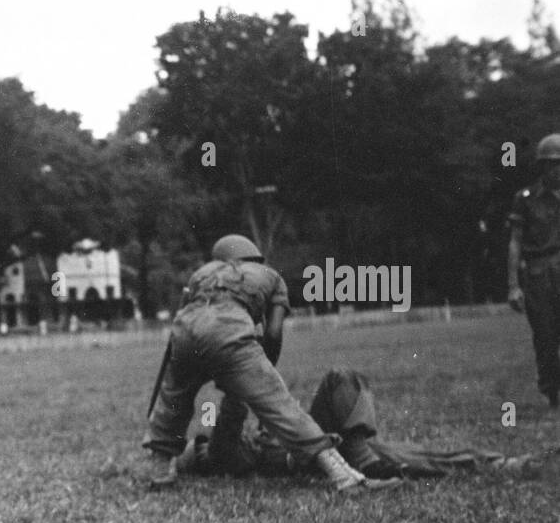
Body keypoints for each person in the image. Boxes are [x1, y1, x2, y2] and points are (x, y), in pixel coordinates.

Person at [142, 235, 391, 492]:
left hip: (184, 333)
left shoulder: (201, 274)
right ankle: (344, 476)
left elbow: (183, 315)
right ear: (254, 257)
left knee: (173, 401)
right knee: (279, 405)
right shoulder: (270, 276)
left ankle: (160, 471)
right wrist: (263, 368)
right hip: (229, 332)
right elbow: (273, 333)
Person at [175, 367, 540, 480]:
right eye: (202, 447)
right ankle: (508, 465)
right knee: (422, 459)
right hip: (317, 457)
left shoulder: (251, 441)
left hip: (332, 445)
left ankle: (506, 462)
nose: (207, 442)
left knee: (343, 379)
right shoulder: (227, 456)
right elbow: (231, 415)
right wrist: (238, 364)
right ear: (206, 459)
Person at [507, 133, 560, 409]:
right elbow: (515, 242)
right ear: (542, 167)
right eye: (552, 164)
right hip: (539, 274)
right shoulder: (525, 198)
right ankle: (552, 391)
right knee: (546, 336)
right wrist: (513, 285)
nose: (557, 169)